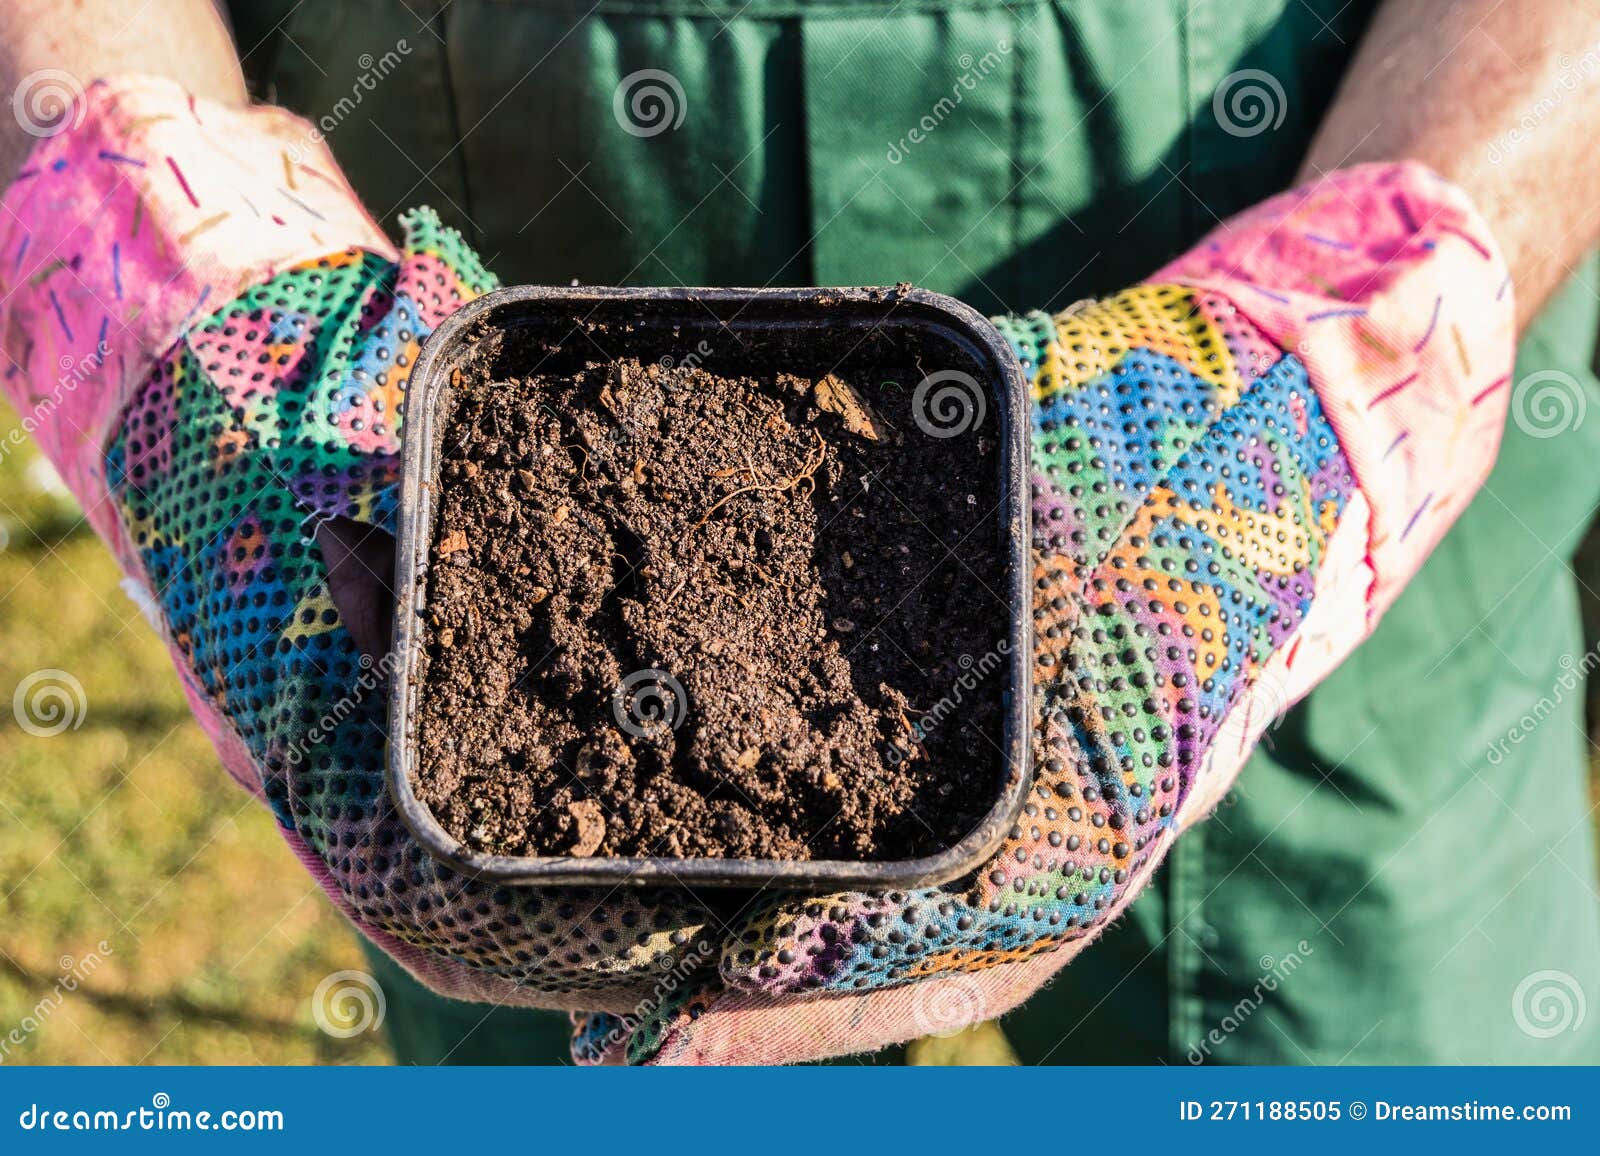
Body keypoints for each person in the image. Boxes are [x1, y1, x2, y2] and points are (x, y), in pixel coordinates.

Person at [2, 0, 1597, 1065]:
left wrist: (1326, 360)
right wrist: (174, 266)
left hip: (1264, 217)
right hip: (499, 216)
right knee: (540, 959)